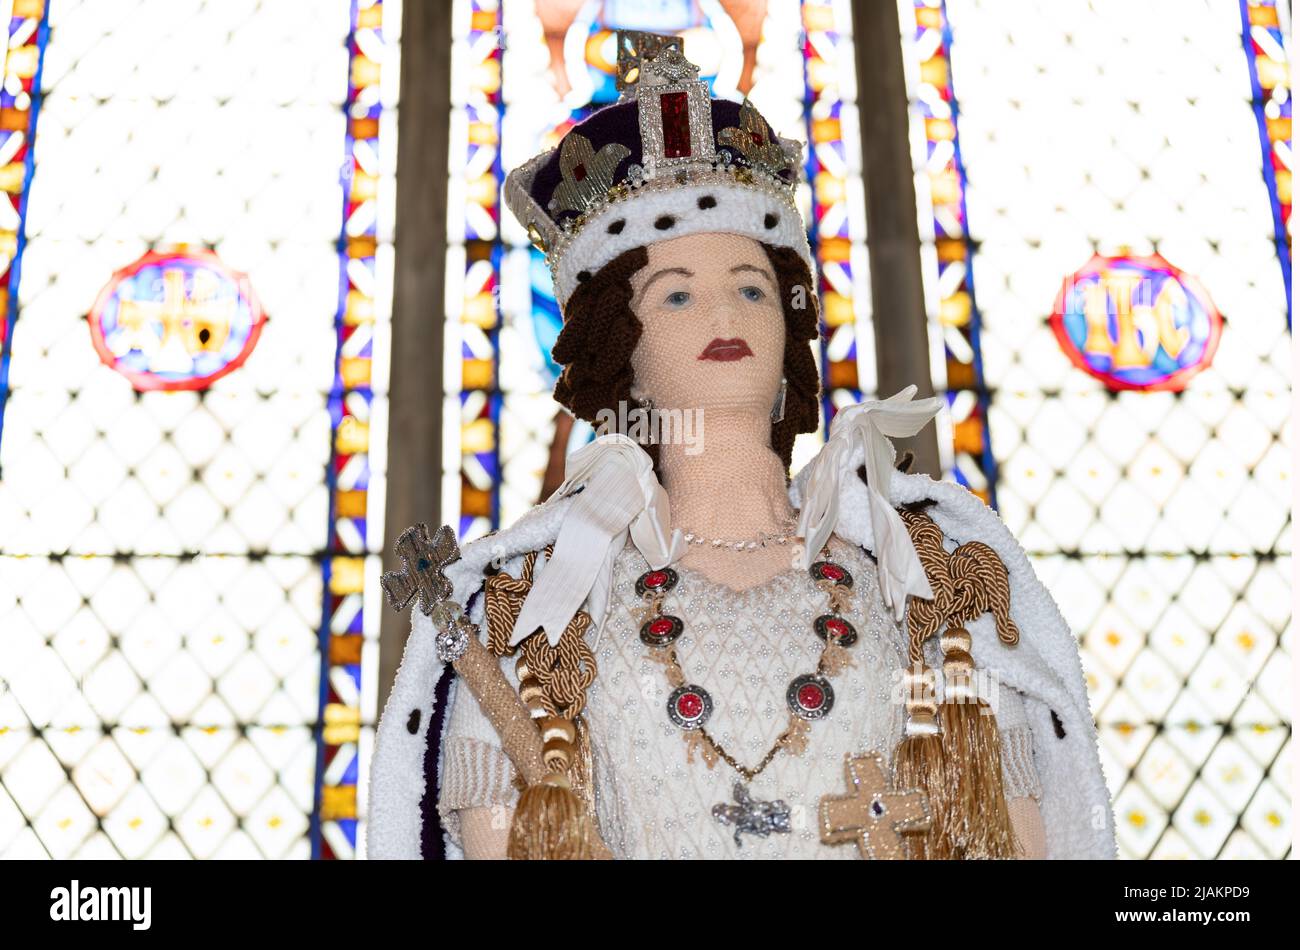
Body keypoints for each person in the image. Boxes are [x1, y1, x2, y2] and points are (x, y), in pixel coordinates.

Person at [367, 34, 1116, 861]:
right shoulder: (533, 615)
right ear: (622, 351)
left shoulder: (932, 578)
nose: (725, 312)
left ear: (790, 324)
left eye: (752, 286)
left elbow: (1010, 833)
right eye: (677, 293)